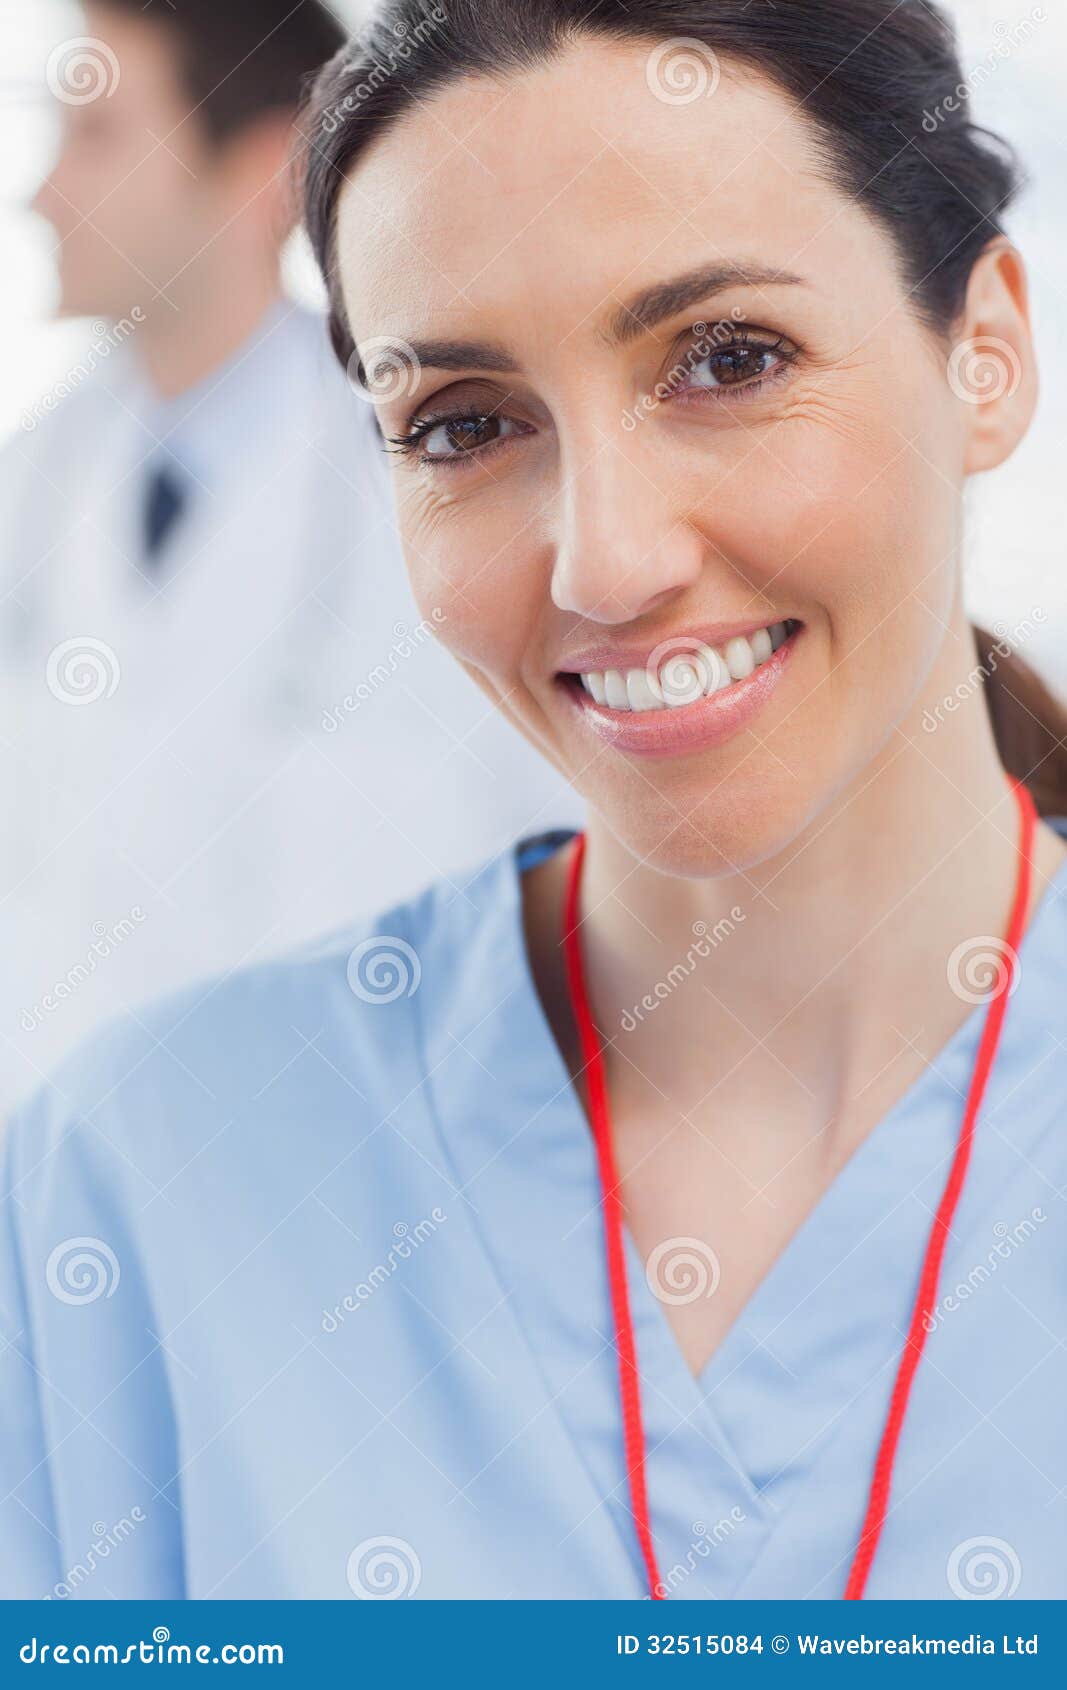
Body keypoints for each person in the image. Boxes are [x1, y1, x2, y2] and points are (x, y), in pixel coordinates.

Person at [2, 0, 1066, 1602]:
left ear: (982, 351)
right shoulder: (144, 1181)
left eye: (726, 358)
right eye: (465, 425)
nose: (604, 558)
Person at [0, 0, 581, 1112]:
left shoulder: (453, 491)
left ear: (263, 169)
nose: (38, 195)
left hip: (351, 1191)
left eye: (98, 135)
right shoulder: (28, 487)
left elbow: (570, 886)